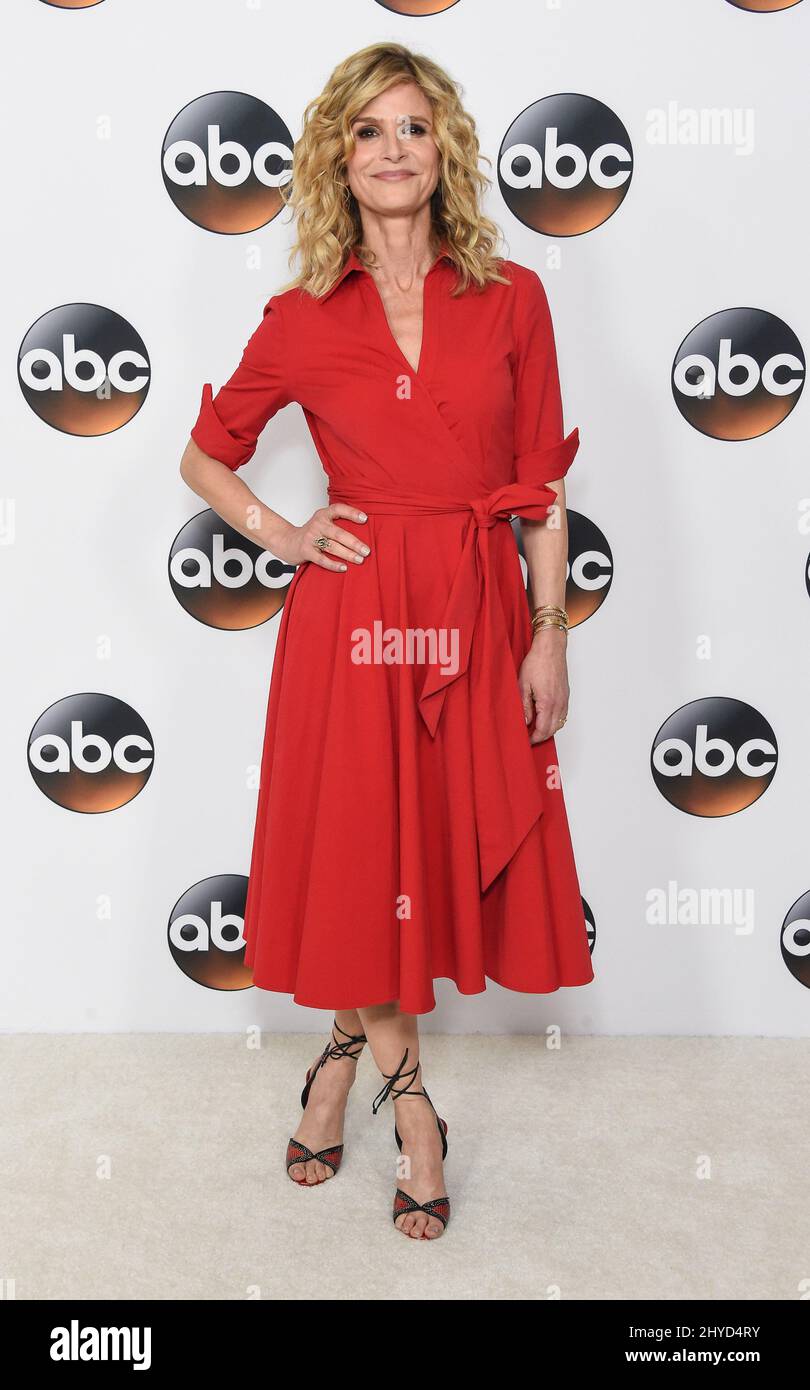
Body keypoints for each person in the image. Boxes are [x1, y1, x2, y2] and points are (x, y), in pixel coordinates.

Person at [180, 42, 594, 1240]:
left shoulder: (514, 297)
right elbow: (206, 454)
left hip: (475, 608)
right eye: (369, 132)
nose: (394, 150)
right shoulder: (304, 316)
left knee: (427, 854)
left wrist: (551, 630)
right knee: (369, 858)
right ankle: (415, 1106)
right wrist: (282, 529)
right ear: (339, 161)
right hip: (352, 619)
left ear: (443, 150)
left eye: (413, 128)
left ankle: (334, 1067)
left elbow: (540, 486)